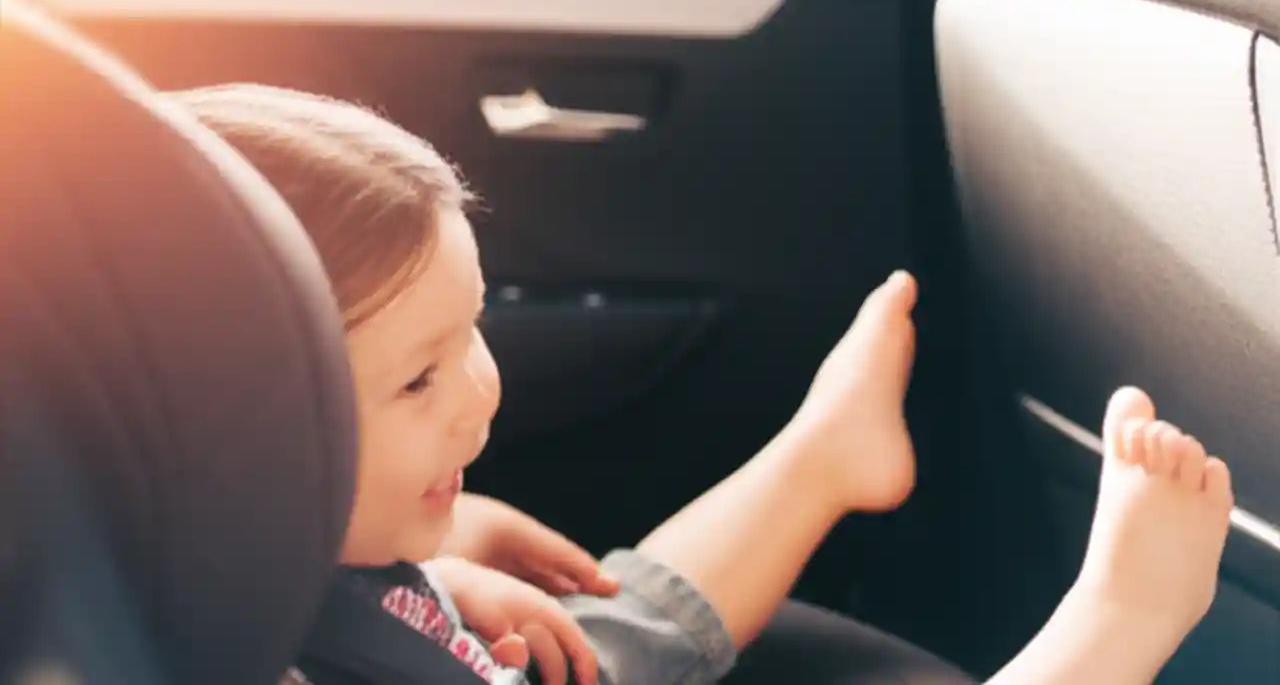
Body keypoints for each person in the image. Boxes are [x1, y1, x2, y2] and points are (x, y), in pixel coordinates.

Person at [169, 84, 1233, 685]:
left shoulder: (233, 549)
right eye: (415, 382)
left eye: (473, 331)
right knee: (607, 633)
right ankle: (1113, 626)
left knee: (602, 618)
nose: (479, 395)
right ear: (239, 453)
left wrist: (442, 563)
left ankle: (819, 461)